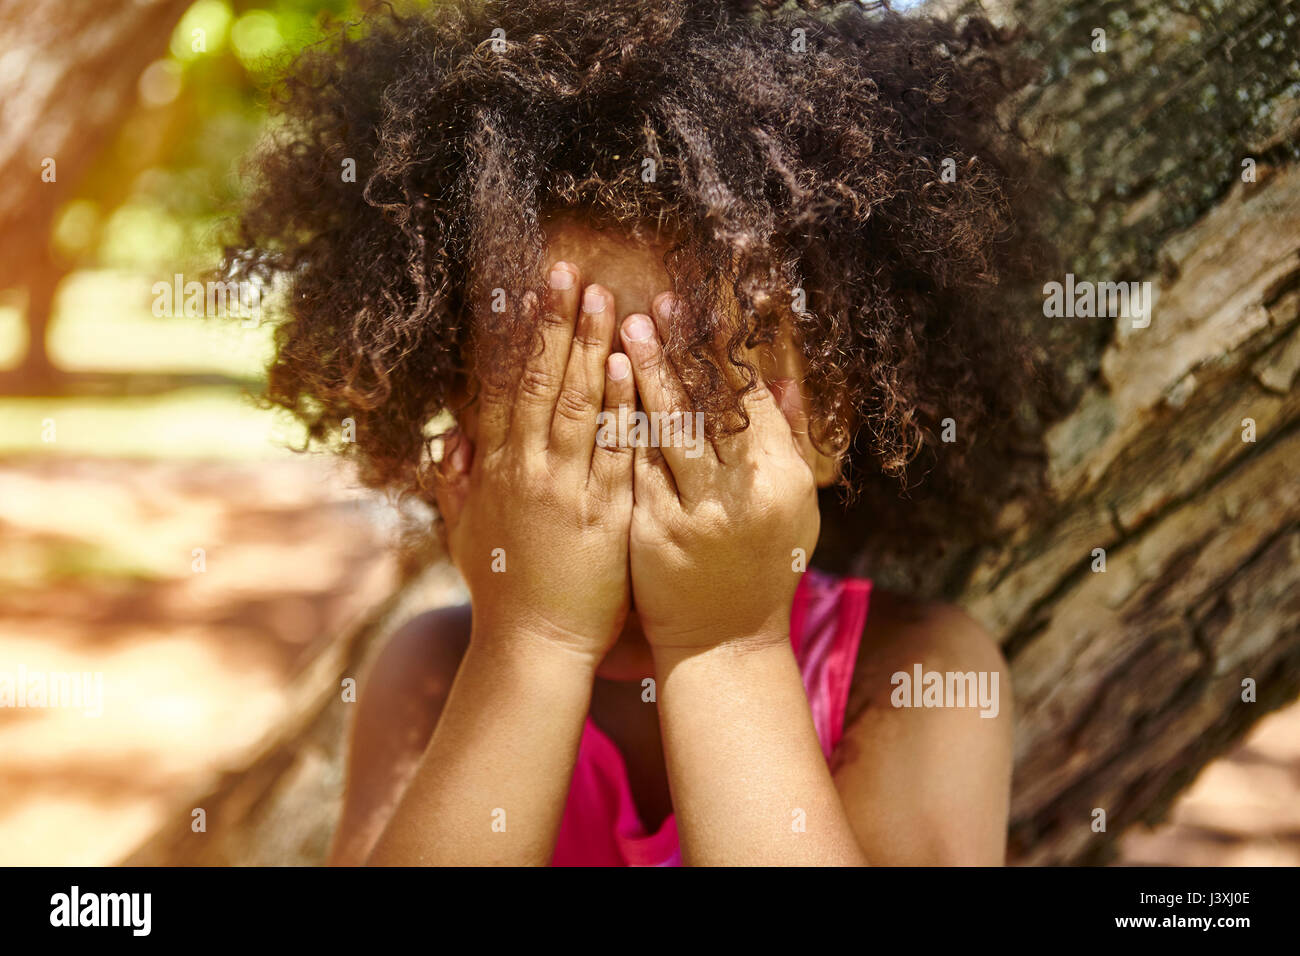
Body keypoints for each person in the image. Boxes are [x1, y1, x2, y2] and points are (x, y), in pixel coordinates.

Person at [222, 0, 1048, 865]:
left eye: (691, 383)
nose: (627, 438)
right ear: (459, 431)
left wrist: (729, 646)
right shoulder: (429, 673)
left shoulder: (915, 676)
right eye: (564, 390)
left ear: (833, 418)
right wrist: (530, 641)